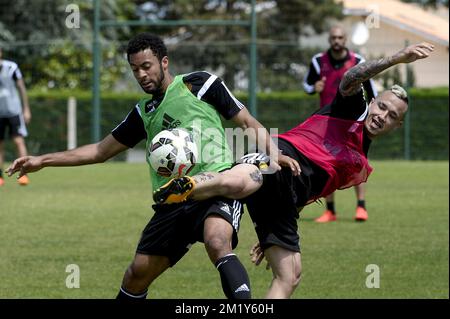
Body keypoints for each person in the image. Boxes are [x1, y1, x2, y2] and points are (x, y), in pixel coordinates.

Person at [6, 33, 298, 299]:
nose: (141, 74)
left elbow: (246, 121)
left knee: (217, 240)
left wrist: (273, 152)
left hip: (216, 185)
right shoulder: (143, 113)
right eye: (135, 69)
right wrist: (42, 160)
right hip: (172, 199)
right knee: (137, 274)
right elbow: (99, 150)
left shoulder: (199, 84)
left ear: (164, 61)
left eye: (146, 66)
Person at [155, 42, 434, 298]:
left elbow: (311, 185)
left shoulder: (359, 158)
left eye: (392, 116)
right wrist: (396, 59)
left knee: (289, 275)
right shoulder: (352, 108)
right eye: (382, 107)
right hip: (284, 154)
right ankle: (191, 186)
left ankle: (196, 186)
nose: (382, 116)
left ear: (397, 126)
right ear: (372, 102)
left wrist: (272, 233)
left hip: (286, 199)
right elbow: (351, 78)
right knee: (251, 177)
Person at [303, 25, 378, 223]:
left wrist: (372, 113)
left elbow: (372, 90)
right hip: (327, 123)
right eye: (333, 37)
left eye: (340, 37)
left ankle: (361, 207)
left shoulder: (358, 61)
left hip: (354, 122)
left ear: (346, 39)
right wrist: (313, 88)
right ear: (329, 39)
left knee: (357, 162)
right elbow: (306, 84)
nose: (337, 41)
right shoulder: (318, 61)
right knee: (326, 164)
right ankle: (330, 211)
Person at [0, 47, 31, 186]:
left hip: (13, 111)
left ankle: (24, 174)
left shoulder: (11, 67)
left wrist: (26, 109)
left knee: (19, 141)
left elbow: (21, 88)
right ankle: (0, 176)